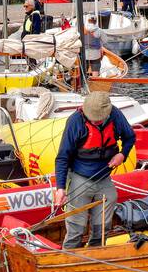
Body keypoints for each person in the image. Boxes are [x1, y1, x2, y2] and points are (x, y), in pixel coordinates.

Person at [53, 91, 136, 248]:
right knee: (76, 225)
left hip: (104, 177)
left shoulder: (116, 115)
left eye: (99, 118)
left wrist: (122, 155)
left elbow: (129, 137)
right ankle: (69, 256)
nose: (96, 120)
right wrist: (60, 188)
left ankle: (96, 252)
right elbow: (62, 157)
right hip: (79, 176)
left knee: (103, 224)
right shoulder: (75, 122)